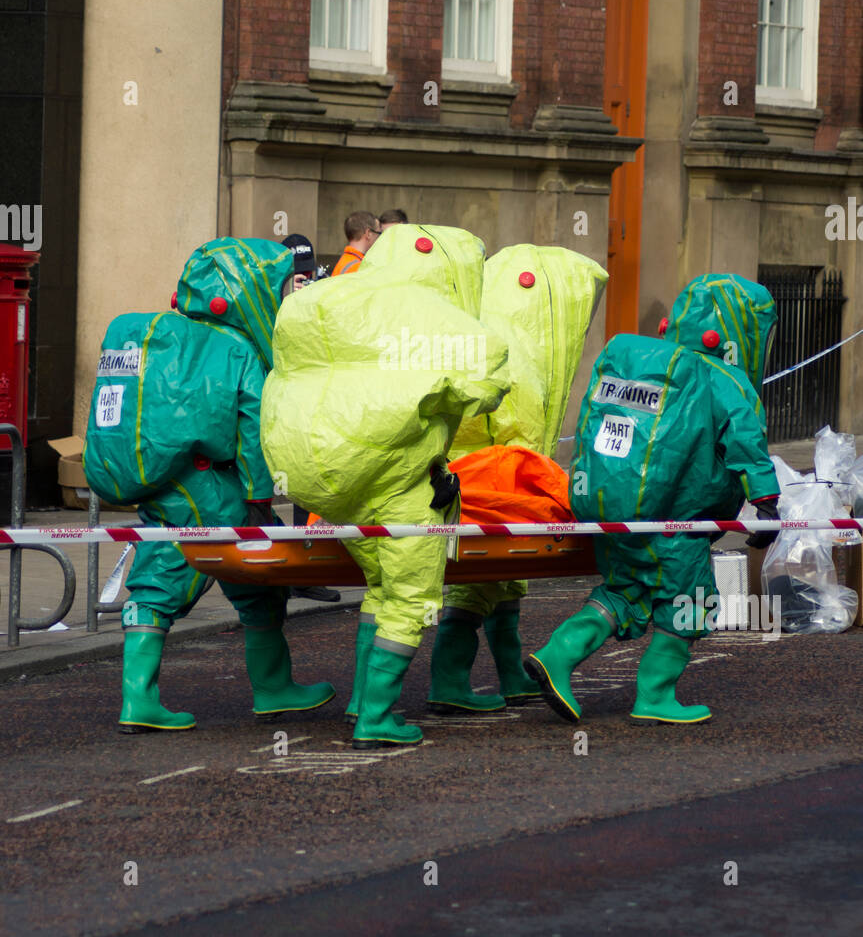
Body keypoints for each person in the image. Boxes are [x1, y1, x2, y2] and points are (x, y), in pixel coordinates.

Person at [261, 223, 510, 750]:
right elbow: (487, 378)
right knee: (410, 597)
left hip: (330, 481)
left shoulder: (323, 295)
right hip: (400, 478)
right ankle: (377, 716)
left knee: (378, 588)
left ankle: (358, 701)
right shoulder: (430, 310)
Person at [82, 238, 335, 733]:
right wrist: (261, 501)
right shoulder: (237, 349)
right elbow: (251, 437)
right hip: (207, 487)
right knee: (172, 581)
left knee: (251, 583)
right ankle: (147, 700)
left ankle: (269, 688)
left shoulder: (167, 338)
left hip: (159, 478)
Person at [524, 274, 779, 726]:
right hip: (676, 523)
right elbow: (747, 444)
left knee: (627, 591)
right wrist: (765, 504)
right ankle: (655, 697)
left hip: (614, 513)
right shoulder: (726, 380)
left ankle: (556, 655)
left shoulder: (639, 363)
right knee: (691, 600)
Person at [427, 244, 608, 713]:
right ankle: (448, 684)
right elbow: (520, 432)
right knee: (480, 581)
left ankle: (510, 677)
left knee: (505, 581)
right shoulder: (515, 351)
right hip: (495, 487)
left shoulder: (486, 334)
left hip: (480, 482)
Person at [281, 232, 340, 603]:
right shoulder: (270, 304)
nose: (302, 279)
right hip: (282, 410)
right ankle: (284, 571)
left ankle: (303, 569)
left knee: (307, 492)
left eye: (306, 272)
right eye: (295, 274)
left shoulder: (318, 298)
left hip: (310, 410)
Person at [331, 211, 380, 276]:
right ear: (368, 234)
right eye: (378, 233)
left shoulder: (348, 261)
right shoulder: (357, 268)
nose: (379, 238)